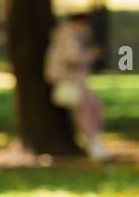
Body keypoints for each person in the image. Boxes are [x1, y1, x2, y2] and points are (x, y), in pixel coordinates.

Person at [45, 12, 109, 159]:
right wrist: (91, 55)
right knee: (87, 112)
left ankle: (96, 142)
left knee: (94, 107)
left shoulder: (66, 34)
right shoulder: (69, 36)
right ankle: (94, 144)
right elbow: (72, 58)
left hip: (74, 82)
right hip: (69, 82)